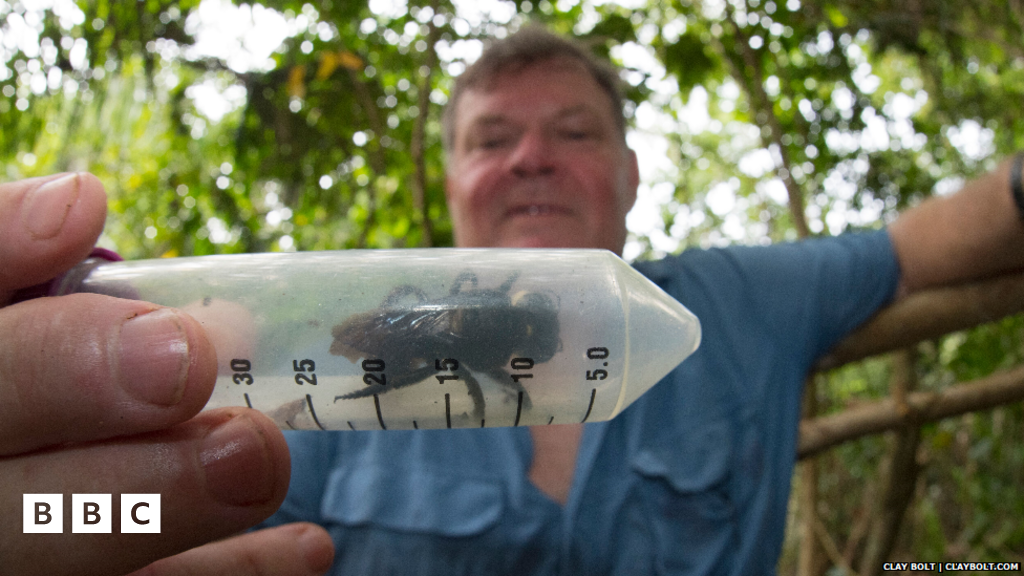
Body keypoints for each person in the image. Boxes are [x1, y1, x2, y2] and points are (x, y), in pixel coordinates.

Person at [1, 25, 1022, 576]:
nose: (532, 159)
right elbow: (127, 512)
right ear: (446, 183)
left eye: (573, 132)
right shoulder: (311, 342)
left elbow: (939, 237)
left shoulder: (729, 302)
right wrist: (50, 516)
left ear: (629, 174)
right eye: (492, 139)